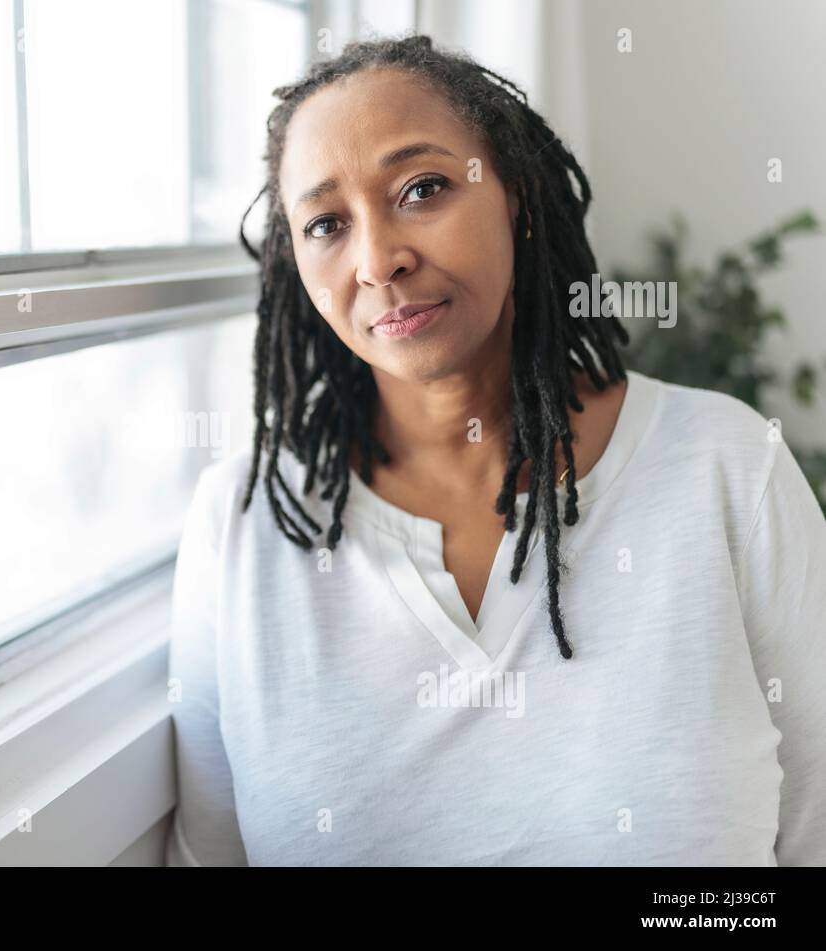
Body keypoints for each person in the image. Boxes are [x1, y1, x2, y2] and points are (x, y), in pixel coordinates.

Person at [165, 34, 826, 866]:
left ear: (512, 192)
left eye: (423, 188)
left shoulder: (728, 467)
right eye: (327, 223)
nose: (379, 260)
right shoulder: (245, 526)